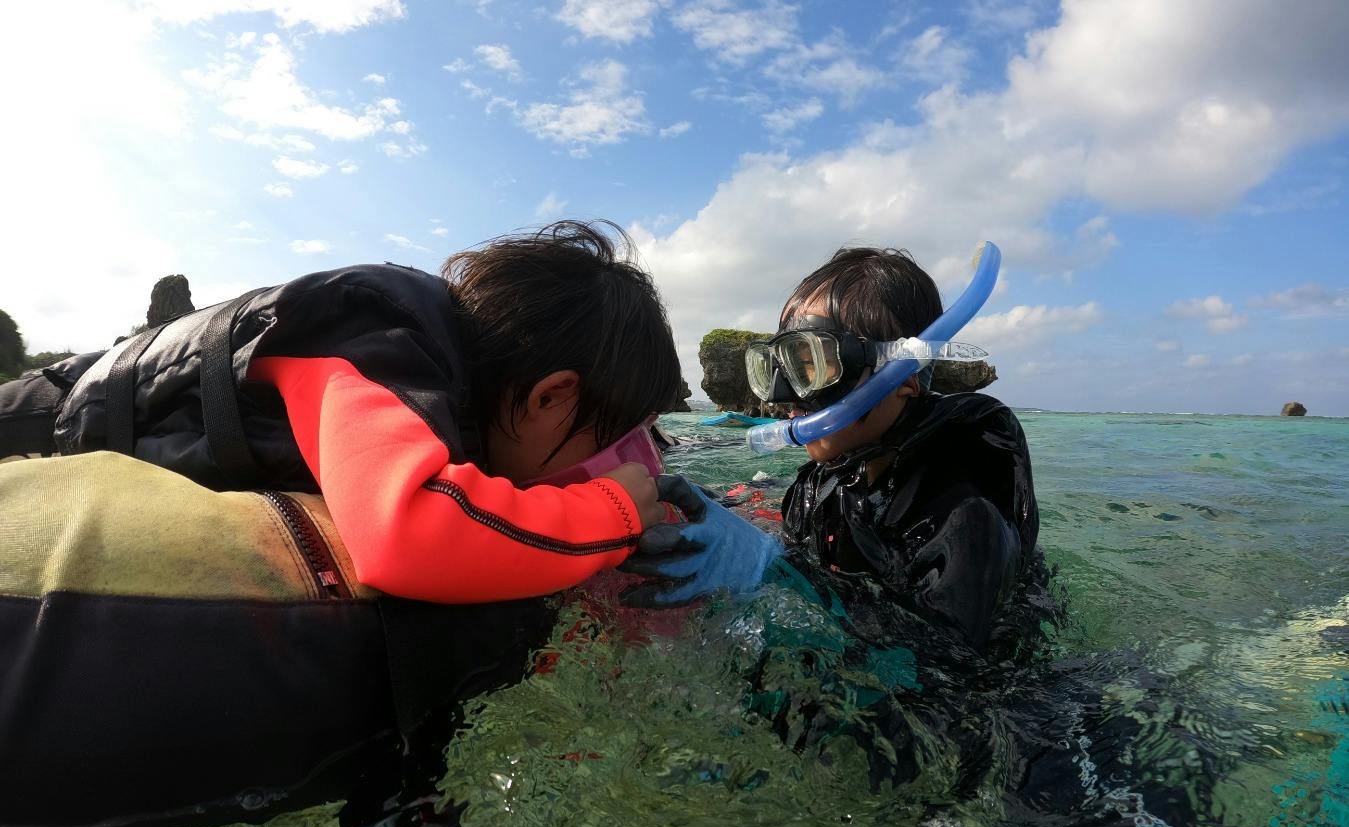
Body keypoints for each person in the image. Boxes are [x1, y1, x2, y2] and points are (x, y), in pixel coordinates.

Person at [0, 220, 679, 605]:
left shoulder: (447, 390)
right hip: (32, 427)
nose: (606, 461)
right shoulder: (376, 343)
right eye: (606, 439)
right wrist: (612, 510)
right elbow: (406, 542)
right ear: (550, 396)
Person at [622, 245, 1057, 658]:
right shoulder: (821, 484)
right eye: (778, 365)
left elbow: (948, 673)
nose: (784, 395)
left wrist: (770, 572)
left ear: (904, 377)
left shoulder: (963, 515)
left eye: (810, 361)